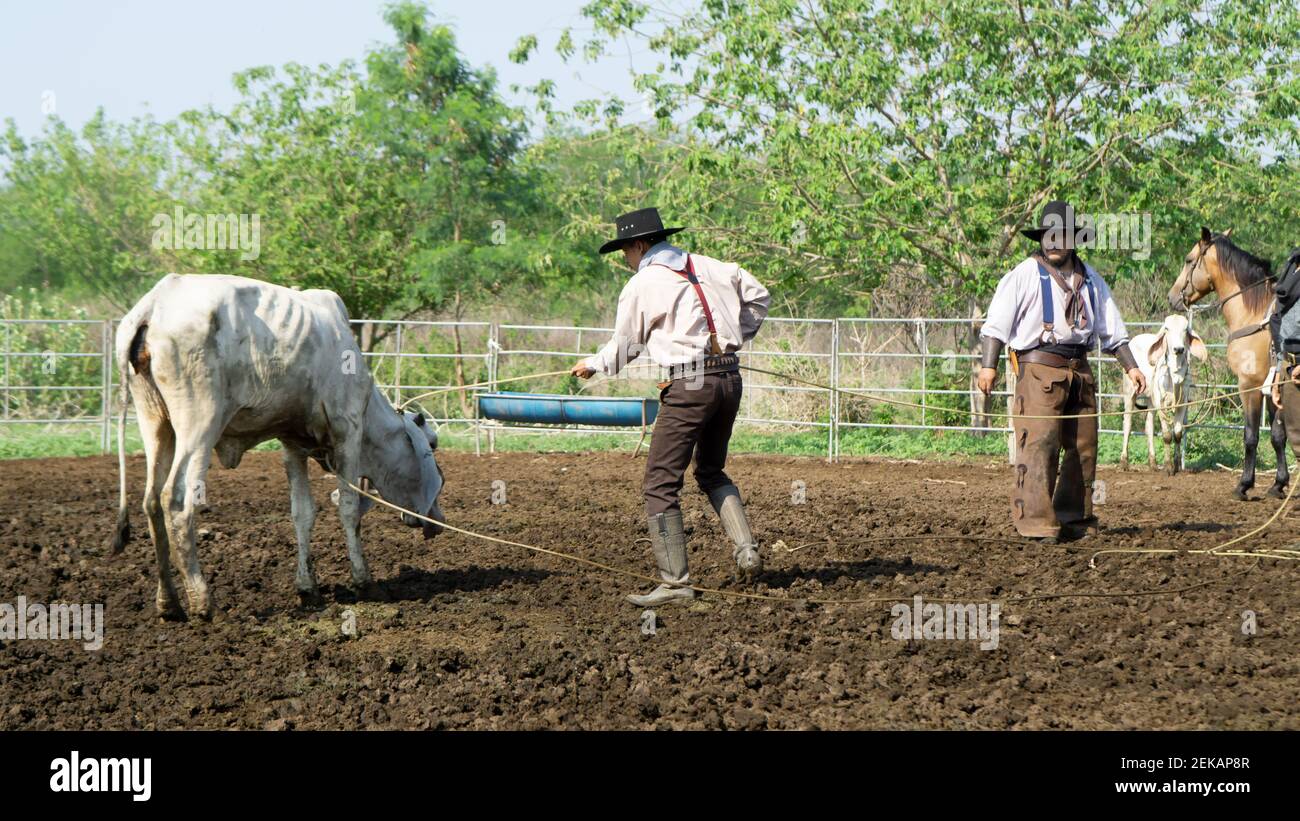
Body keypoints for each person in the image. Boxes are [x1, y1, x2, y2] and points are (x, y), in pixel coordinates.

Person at [571, 207, 771, 605]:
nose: (626, 261)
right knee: (711, 471)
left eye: (625, 252)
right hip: (729, 378)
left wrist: (594, 365)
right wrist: (732, 339)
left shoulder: (644, 283)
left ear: (639, 245)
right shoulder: (713, 265)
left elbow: (627, 344)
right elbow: (759, 298)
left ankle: (676, 584)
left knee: (660, 484)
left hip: (691, 383)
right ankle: (746, 549)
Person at [977, 200, 1147, 542]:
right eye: (1049, 236)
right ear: (1042, 239)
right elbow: (995, 325)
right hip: (1038, 369)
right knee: (1039, 444)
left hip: (1079, 371)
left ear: (1072, 239)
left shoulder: (1091, 280)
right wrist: (988, 367)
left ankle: (1074, 518)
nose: (1054, 242)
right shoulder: (1024, 274)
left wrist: (1132, 367)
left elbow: (1112, 331)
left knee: (1084, 445)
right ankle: (1037, 522)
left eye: (1061, 235)